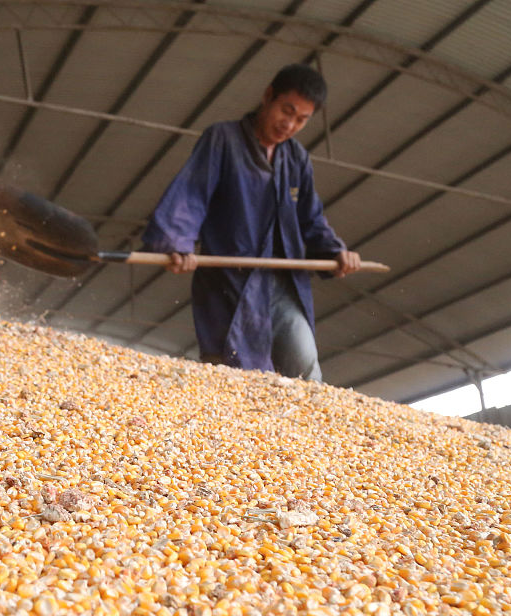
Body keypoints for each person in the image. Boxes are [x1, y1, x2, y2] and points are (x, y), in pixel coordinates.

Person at [142, 63, 362, 381]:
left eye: (301, 119)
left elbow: (311, 220)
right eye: (286, 111)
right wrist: (177, 242)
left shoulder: (297, 159)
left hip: (281, 281)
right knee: (228, 367)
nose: (289, 124)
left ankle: (308, 428)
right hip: (228, 280)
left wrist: (336, 252)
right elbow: (192, 195)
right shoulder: (222, 139)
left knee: (303, 363)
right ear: (268, 96)